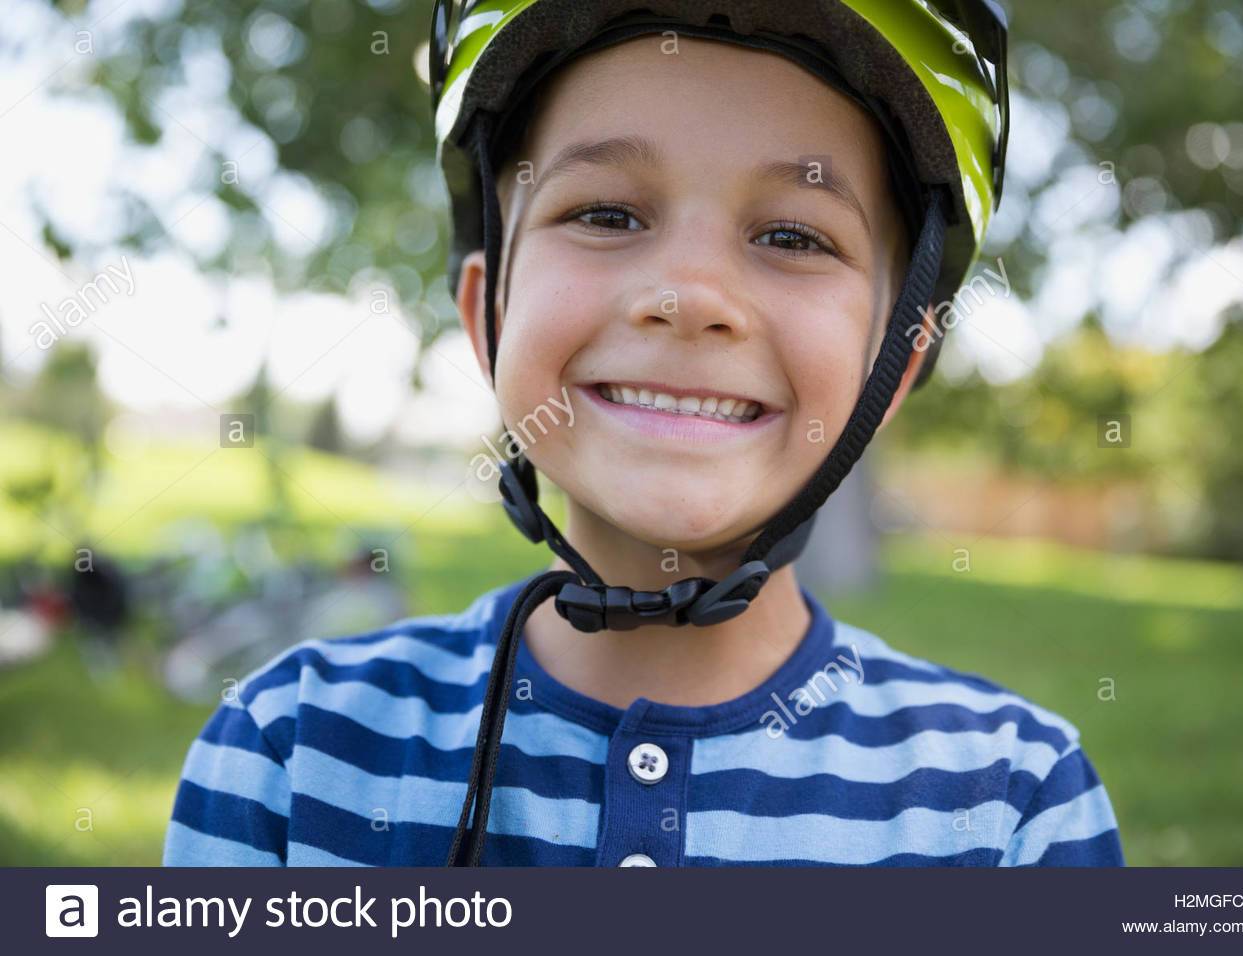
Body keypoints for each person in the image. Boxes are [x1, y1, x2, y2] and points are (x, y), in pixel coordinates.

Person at [163, 0, 1124, 867]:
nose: (689, 299)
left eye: (793, 236)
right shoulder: (289, 751)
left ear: (897, 364)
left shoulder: (1011, 804)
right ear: (489, 315)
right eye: (608, 213)